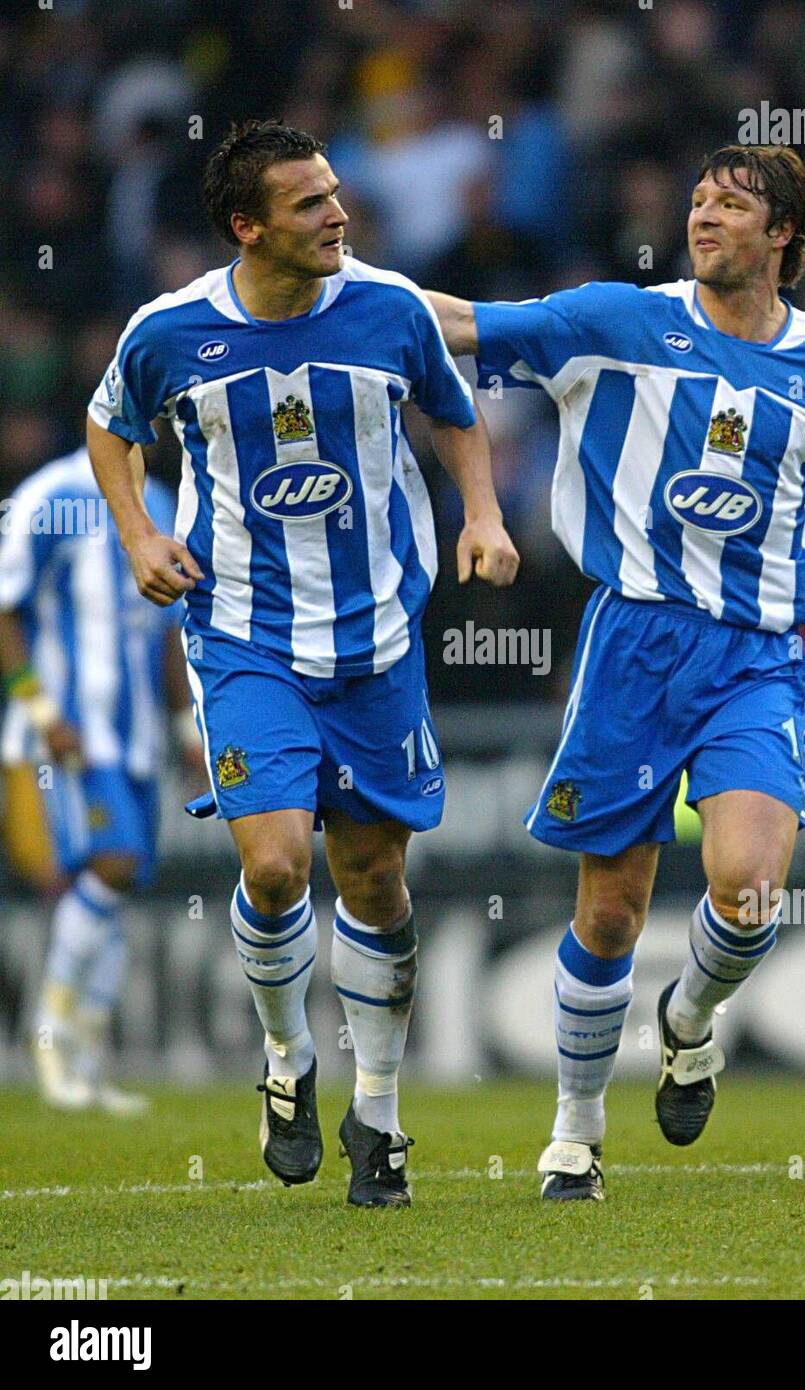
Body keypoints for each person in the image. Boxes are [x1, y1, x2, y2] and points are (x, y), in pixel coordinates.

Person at [428, 144, 805, 1200]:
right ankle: (577, 1130)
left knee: (747, 885)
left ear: (782, 236)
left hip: (758, 657)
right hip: (632, 644)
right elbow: (466, 323)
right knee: (608, 913)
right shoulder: (618, 320)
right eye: (696, 200)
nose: (703, 217)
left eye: (731, 206)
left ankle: (687, 1018)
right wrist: (336, 293)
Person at [86, 119, 518, 1206]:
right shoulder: (170, 330)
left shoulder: (390, 308)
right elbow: (110, 425)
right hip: (242, 638)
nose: (339, 215)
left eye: (336, 193)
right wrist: (141, 533)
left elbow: (455, 414)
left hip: (376, 641)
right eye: (312, 203)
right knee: (276, 866)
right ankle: (286, 1061)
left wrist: (481, 513)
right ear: (249, 227)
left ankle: (378, 1113)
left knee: (374, 879)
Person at [0, 444, 197, 1112]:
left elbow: (169, 629)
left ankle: (85, 1054)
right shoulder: (47, 496)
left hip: (137, 736)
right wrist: (40, 709)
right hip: (72, 735)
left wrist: (183, 729)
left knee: (123, 883)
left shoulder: (163, 502)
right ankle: (49, 1037)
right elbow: (5, 608)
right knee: (109, 866)